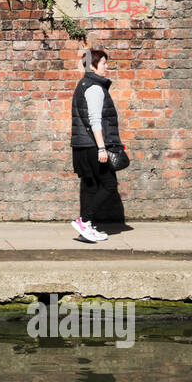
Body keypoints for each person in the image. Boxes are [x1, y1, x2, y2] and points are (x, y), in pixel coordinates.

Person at [70, 47, 124, 243]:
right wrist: (102, 148)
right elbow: (94, 120)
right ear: (93, 66)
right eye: (103, 64)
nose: (106, 67)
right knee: (109, 185)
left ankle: (87, 228)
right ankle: (84, 220)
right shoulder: (94, 87)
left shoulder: (82, 84)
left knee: (90, 187)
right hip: (94, 147)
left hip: (81, 146)